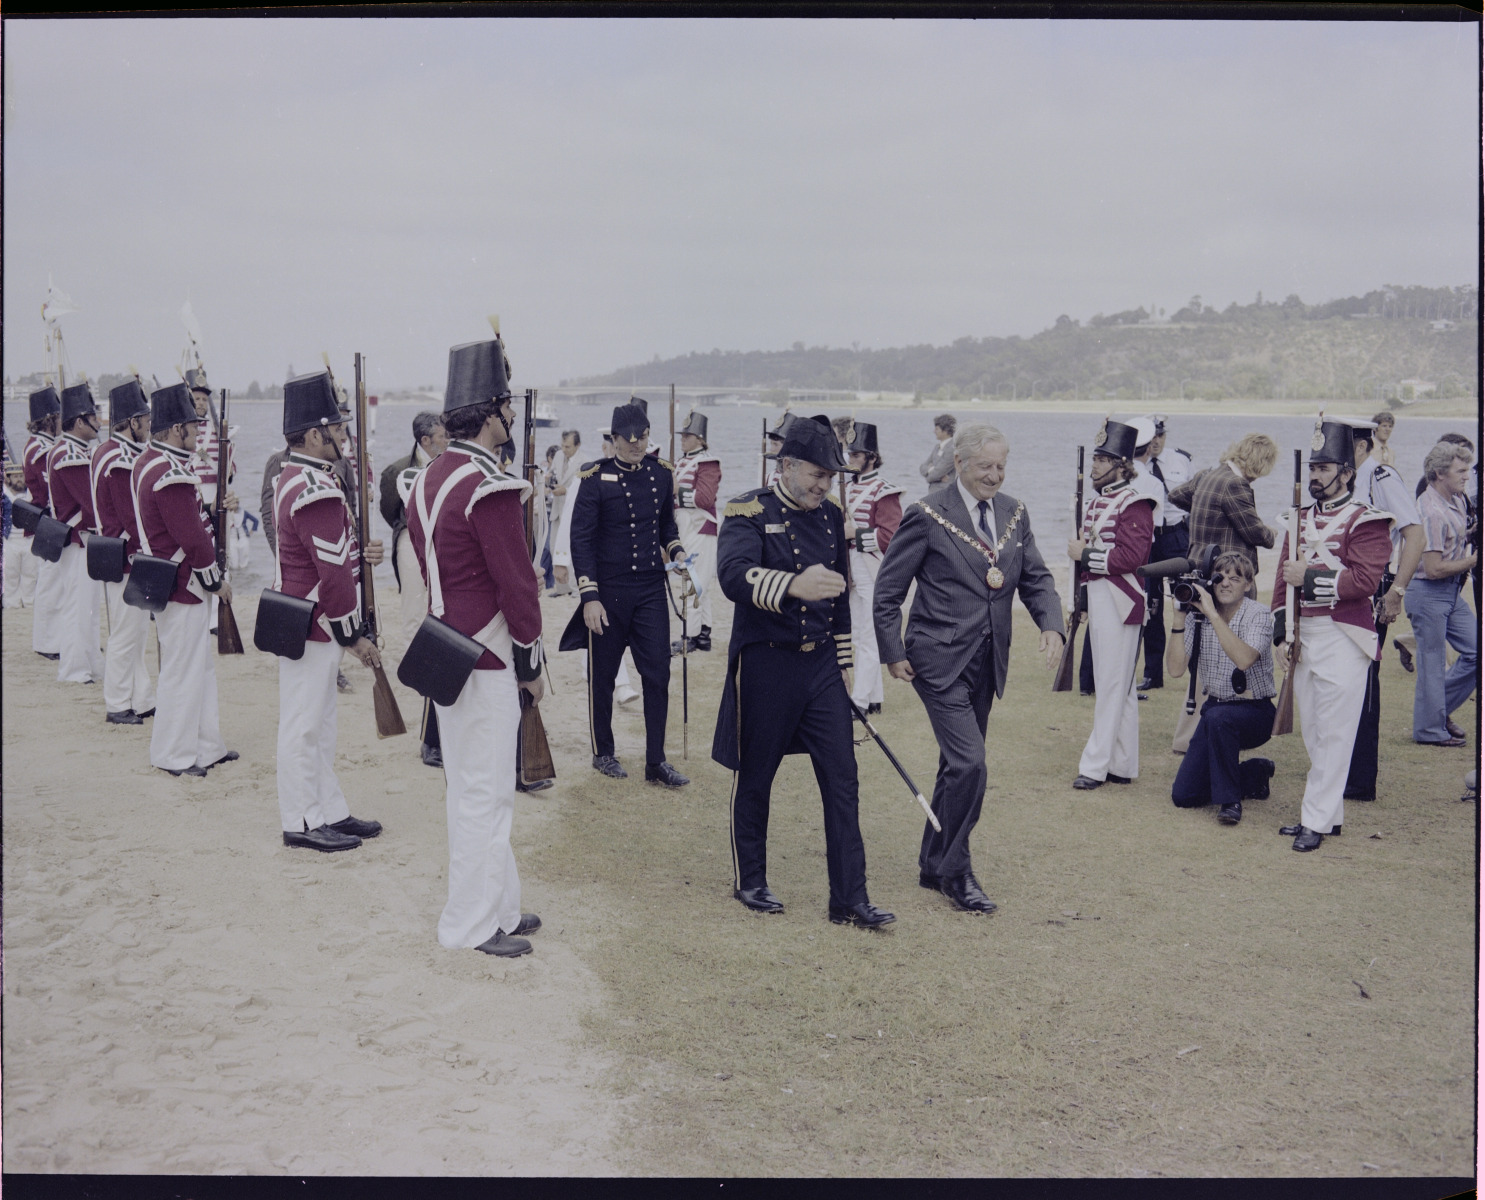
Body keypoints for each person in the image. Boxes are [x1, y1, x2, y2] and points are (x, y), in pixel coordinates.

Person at [713, 414, 894, 928]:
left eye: (831, 476)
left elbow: (838, 603)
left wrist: (843, 672)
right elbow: (732, 576)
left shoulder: (832, 515)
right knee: (756, 774)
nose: (824, 485)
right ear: (788, 466)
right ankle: (751, 880)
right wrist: (793, 584)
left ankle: (850, 898)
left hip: (820, 667)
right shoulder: (747, 510)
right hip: (766, 662)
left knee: (843, 778)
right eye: (817, 474)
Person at [874, 423, 1064, 912]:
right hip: (935, 659)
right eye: (985, 466)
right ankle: (956, 872)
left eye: (1001, 466)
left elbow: (1037, 577)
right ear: (959, 464)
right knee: (970, 764)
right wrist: (893, 651)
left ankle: (931, 862)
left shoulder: (1014, 513)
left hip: (988, 659)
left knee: (955, 766)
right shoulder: (926, 514)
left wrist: (1051, 625)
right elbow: (888, 592)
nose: (995, 476)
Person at [406, 339, 545, 958]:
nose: (512, 417)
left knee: (474, 788)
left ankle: (502, 907)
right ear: (490, 412)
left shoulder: (430, 476)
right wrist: (532, 660)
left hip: (446, 647)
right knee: (484, 796)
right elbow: (516, 585)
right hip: (486, 656)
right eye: (507, 406)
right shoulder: (488, 484)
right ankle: (469, 925)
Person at [268, 371, 387, 852]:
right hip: (313, 620)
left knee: (319, 722)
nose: (344, 437)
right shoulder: (313, 487)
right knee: (303, 724)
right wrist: (352, 633)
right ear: (314, 435)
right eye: (337, 429)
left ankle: (328, 809)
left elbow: (340, 556)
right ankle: (300, 820)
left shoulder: (300, 476)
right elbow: (333, 574)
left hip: (311, 617)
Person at [1269, 419, 1392, 852]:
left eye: (1324, 468)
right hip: (1304, 632)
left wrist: (1311, 576)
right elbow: (1282, 582)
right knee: (1314, 732)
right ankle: (1329, 815)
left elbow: (1364, 581)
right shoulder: (1297, 518)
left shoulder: (1369, 520)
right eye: (1313, 467)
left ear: (1346, 472)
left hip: (1343, 634)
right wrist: (1282, 635)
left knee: (1336, 732)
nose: (1315, 476)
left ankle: (1315, 820)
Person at [561, 402, 690, 786]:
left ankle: (656, 761)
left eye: (643, 438)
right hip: (608, 592)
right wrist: (589, 596)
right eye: (629, 440)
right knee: (602, 676)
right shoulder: (593, 479)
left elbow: (667, 527)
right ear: (614, 440)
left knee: (658, 673)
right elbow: (580, 541)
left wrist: (678, 552)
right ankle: (604, 752)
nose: (637, 445)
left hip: (650, 589)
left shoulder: (661, 475)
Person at [132, 383, 237, 778]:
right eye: (193, 426)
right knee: (182, 671)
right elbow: (192, 540)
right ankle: (173, 754)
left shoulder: (154, 461)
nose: (199, 432)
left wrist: (210, 508)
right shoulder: (169, 471)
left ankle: (207, 746)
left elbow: (186, 520)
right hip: (184, 584)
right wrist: (216, 583)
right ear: (177, 429)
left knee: (197, 669)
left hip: (173, 580)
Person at [1164, 432, 1278, 753]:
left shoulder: (1205, 476)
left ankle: (1189, 734)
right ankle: (1207, 732)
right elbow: (1255, 531)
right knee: (1227, 655)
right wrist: (1272, 533)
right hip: (1231, 579)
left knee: (1200, 653)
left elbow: (1175, 495)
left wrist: (1204, 506)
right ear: (1258, 462)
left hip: (1201, 575)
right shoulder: (1236, 485)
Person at [1068, 418, 1155, 790]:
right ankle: (1122, 763)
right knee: (1118, 687)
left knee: (1111, 685)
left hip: (1122, 598)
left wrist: (1085, 556)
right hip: (1101, 596)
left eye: (1103, 460)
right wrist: (1082, 597)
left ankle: (1095, 766)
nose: (1096, 466)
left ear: (1122, 463)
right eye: (1096, 459)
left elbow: (1131, 558)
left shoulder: (1136, 503)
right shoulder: (1097, 502)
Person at [1343, 419, 1425, 798]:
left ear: (1360, 447)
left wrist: (1397, 591)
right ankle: (1342, 769)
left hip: (1374, 587)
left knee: (1364, 679)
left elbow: (1415, 534)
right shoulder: (1344, 481)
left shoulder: (1379, 476)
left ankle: (1359, 780)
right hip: (1342, 589)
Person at [1166, 552, 1277, 825]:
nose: (1225, 584)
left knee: (1219, 717)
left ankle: (1229, 803)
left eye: (1235, 578)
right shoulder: (1197, 617)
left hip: (1256, 711)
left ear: (1248, 585)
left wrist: (1213, 615)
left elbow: (1244, 659)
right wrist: (1180, 619)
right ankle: (1255, 772)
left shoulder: (1259, 614)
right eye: (1220, 577)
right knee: (1185, 795)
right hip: (1215, 710)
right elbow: (1175, 670)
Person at [1405, 440, 1478, 748]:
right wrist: (1476, 560)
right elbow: (1433, 567)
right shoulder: (1431, 510)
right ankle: (1429, 730)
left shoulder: (1456, 499)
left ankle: (1435, 713)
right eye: (1460, 471)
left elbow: (1457, 536)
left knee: (1478, 651)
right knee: (1432, 664)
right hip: (1428, 591)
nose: (1467, 477)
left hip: (1449, 592)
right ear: (1439, 474)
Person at [93, 379, 157, 724]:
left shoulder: (108, 450)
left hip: (120, 554)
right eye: (144, 419)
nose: (148, 425)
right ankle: (117, 704)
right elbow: (131, 516)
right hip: (126, 555)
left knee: (134, 633)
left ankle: (141, 697)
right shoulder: (120, 458)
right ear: (132, 422)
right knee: (125, 634)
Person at [841, 422, 904, 714]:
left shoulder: (884, 491)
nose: (850, 460)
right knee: (858, 633)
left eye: (856, 455)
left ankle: (860, 701)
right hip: (851, 567)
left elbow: (892, 537)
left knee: (867, 635)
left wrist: (855, 534)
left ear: (872, 458)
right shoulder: (845, 487)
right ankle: (875, 696)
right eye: (849, 454)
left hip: (872, 566)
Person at [46, 382, 106, 685]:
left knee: (89, 609)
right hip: (77, 539)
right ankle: (73, 669)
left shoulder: (77, 449)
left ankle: (89, 664)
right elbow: (91, 500)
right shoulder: (68, 453)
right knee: (79, 608)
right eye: (93, 416)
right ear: (79, 421)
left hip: (85, 540)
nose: (99, 422)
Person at [1137, 416, 1192, 690]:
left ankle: (1193, 667)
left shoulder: (1180, 460)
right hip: (1150, 540)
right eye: (1151, 437)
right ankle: (1152, 674)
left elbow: (1193, 498)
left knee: (1187, 600)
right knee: (1152, 605)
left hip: (1177, 536)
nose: (1156, 442)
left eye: (1161, 436)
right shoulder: (1135, 466)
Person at [671, 411, 722, 653]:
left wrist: (675, 492)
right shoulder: (681, 461)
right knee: (699, 583)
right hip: (686, 526)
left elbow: (704, 498)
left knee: (692, 581)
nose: (683, 439)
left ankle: (689, 636)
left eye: (688, 435)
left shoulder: (707, 462)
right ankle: (703, 634)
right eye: (683, 435)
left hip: (700, 526)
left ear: (700, 439)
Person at [24, 386, 63, 659]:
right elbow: (49, 489)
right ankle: (46, 642)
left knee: (56, 583)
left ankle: (56, 639)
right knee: (50, 584)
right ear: (49, 418)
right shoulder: (40, 448)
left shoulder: (40, 444)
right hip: (45, 522)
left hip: (47, 523)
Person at [546, 429, 583, 596]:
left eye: (568, 446)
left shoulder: (585, 462)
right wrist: (548, 480)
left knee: (574, 552)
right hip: (556, 510)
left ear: (577, 445)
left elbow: (582, 491)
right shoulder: (559, 456)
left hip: (574, 512)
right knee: (555, 548)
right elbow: (552, 473)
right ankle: (561, 588)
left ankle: (575, 588)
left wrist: (566, 491)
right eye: (562, 445)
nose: (564, 450)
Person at [920, 413, 957, 489]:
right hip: (933, 493)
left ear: (945, 430)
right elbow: (922, 467)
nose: (934, 431)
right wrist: (932, 470)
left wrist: (929, 477)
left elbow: (936, 473)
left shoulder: (952, 449)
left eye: (937, 429)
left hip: (944, 493)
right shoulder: (937, 447)